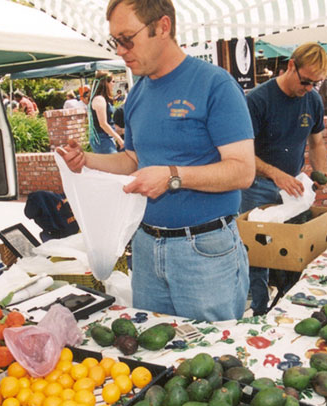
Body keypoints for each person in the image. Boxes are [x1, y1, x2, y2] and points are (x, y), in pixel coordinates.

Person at [56, 0, 255, 321]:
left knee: (211, 357)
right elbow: (133, 160)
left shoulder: (214, 84)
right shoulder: (138, 93)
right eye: (115, 41)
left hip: (204, 249)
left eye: (126, 38)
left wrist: (173, 176)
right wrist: (86, 161)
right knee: (156, 353)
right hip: (147, 246)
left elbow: (243, 171)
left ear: (163, 27)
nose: (120, 50)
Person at [240, 42, 327, 315]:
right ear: (291, 65)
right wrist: (276, 174)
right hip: (258, 188)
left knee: (294, 249)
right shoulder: (257, 100)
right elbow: (242, 154)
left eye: (316, 83)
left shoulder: (312, 100)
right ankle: (259, 308)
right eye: (305, 81)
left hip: (293, 190)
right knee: (258, 254)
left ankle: (288, 306)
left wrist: (320, 176)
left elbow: (317, 143)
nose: (309, 88)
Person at [89, 71, 125, 153]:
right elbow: (103, 124)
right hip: (102, 139)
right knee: (115, 164)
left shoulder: (104, 99)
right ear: (106, 83)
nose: (114, 84)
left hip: (106, 137)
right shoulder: (99, 99)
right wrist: (118, 139)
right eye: (113, 81)